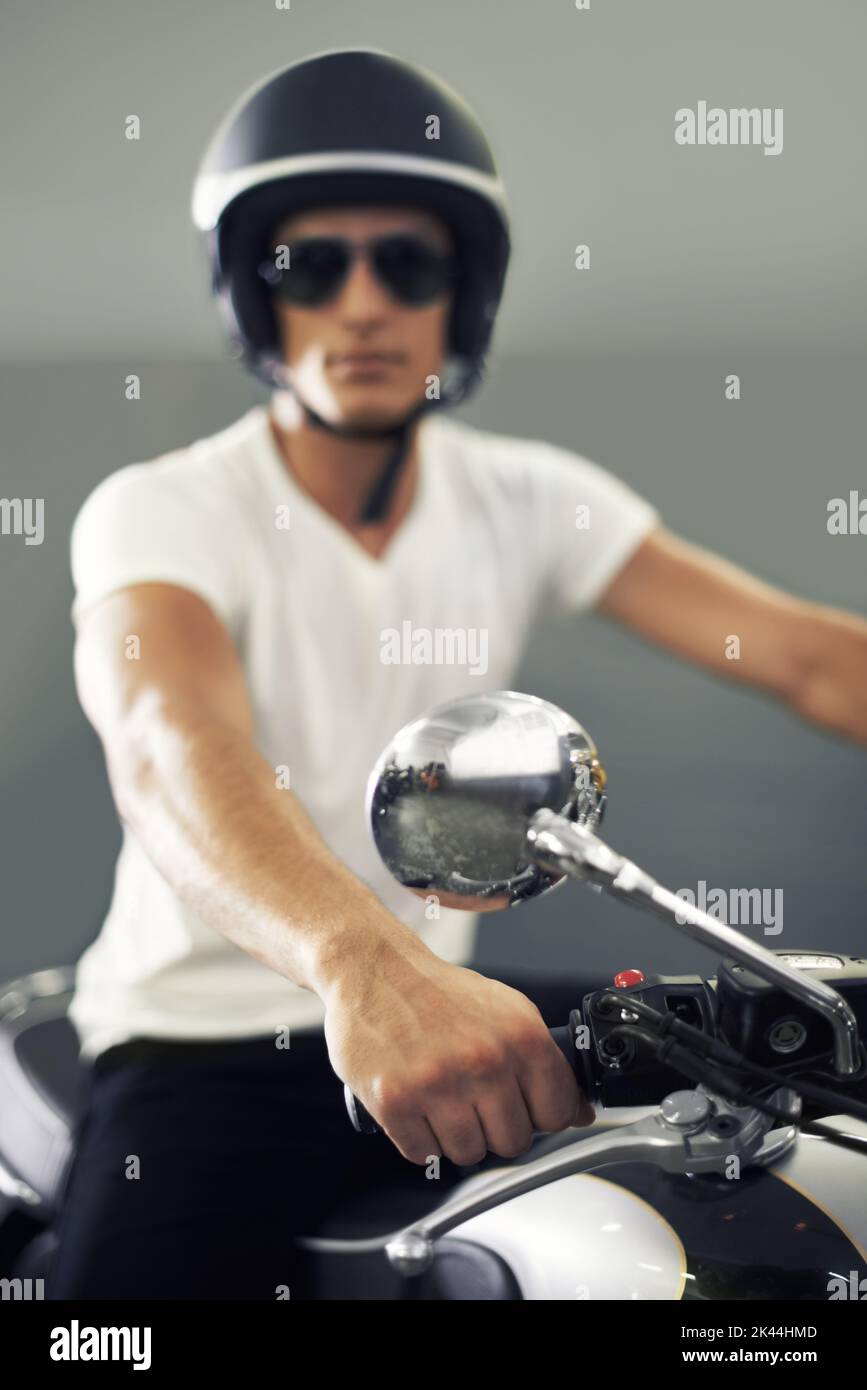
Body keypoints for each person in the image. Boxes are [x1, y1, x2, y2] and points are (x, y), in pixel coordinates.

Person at [48, 48, 867, 1301]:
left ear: (460, 296)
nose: (363, 303)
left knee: (804, 1047)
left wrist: (410, 978)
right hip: (206, 1038)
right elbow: (169, 745)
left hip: (443, 997)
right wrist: (361, 964)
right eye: (311, 266)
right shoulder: (162, 509)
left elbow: (809, 657)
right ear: (257, 298)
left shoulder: (523, 495)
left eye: (408, 264)